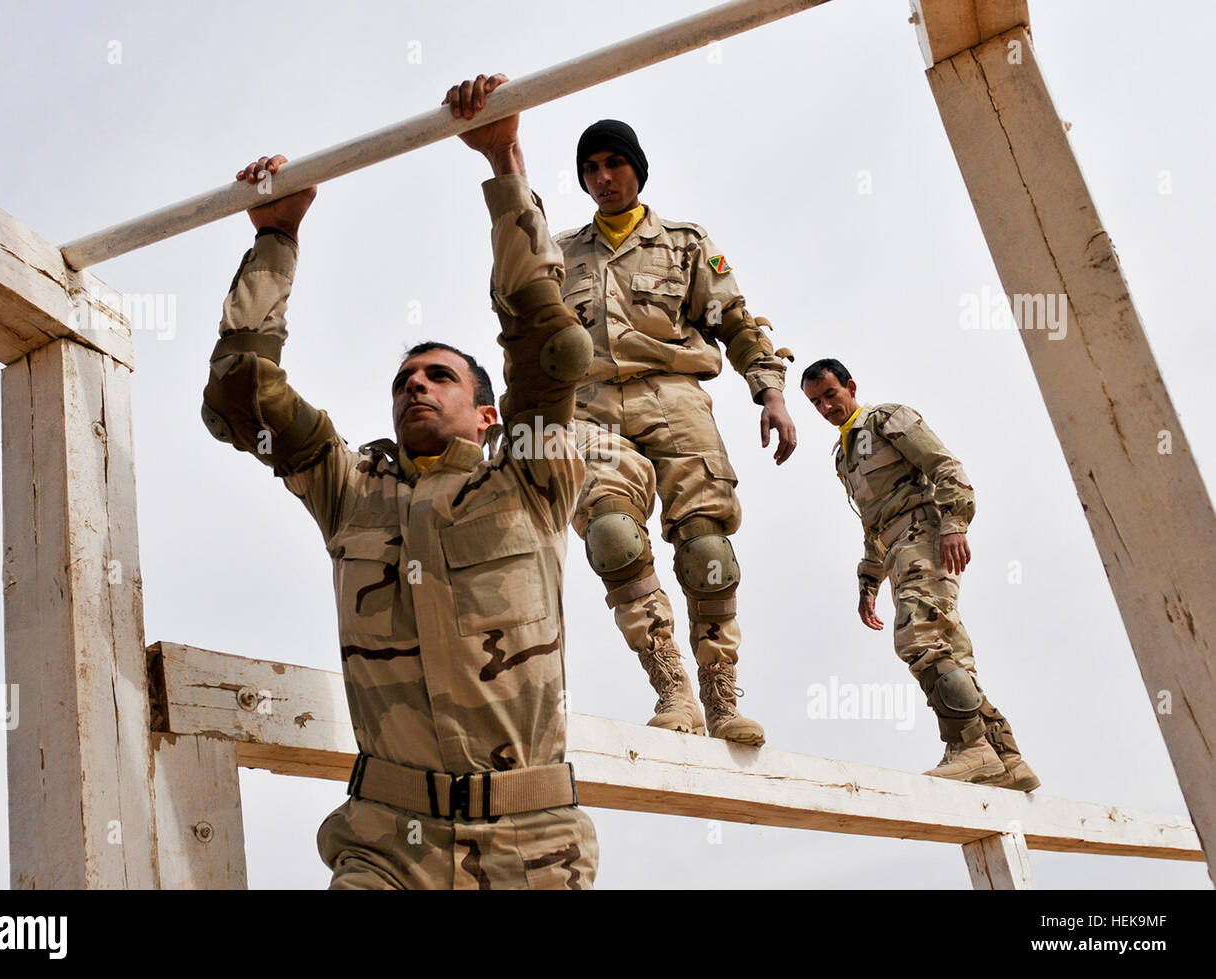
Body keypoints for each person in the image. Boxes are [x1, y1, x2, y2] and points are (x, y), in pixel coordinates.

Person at [198, 107, 600, 887]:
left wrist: (503, 164)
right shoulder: (351, 491)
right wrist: (276, 239)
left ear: (488, 413)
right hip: (387, 843)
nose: (415, 385)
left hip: (532, 843)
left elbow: (547, 344)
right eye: (403, 381)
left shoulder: (531, 475)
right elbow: (240, 395)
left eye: (438, 375)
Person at [444, 74, 797, 746]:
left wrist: (771, 390)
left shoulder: (687, 243)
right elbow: (523, 258)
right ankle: (673, 689)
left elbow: (738, 322)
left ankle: (722, 694)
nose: (604, 177)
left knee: (706, 546)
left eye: (614, 164)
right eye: (592, 168)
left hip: (675, 397)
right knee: (612, 537)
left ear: (637, 169)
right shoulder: (568, 250)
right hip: (593, 410)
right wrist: (502, 156)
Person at [799, 358, 1039, 790]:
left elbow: (945, 466)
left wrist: (953, 525)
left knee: (919, 640)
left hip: (923, 537)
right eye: (816, 402)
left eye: (830, 395)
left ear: (850, 386)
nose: (825, 407)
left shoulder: (886, 419)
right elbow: (872, 522)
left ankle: (970, 750)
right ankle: (1007, 760)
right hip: (896, 552)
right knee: (949, 651)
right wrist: (868, 582)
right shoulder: (844, 454)